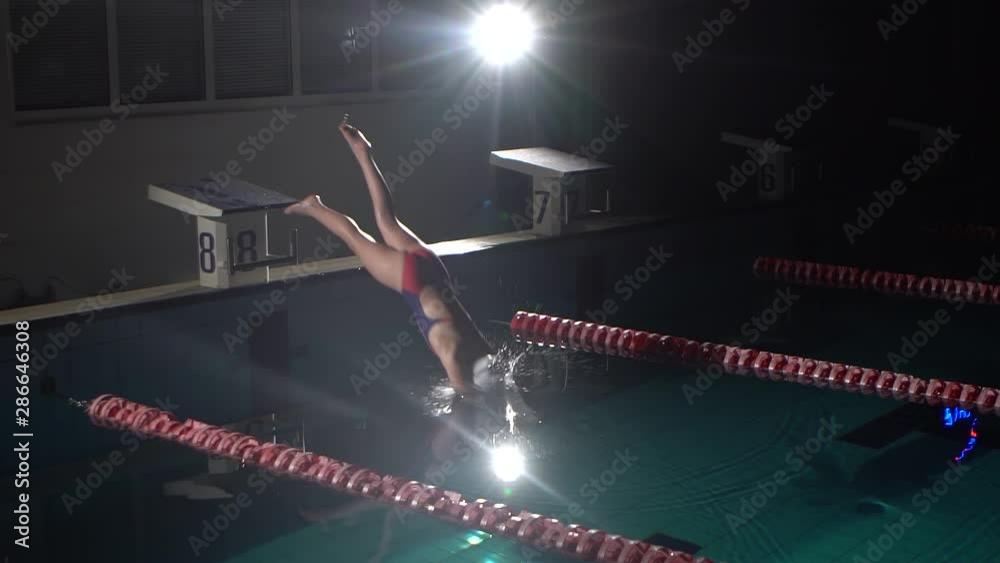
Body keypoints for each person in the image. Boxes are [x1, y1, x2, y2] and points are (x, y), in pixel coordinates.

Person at [285, 119, 496, 396]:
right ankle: (314, 207)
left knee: (386, 219)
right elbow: (461, 389)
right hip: (412, 280)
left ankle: (363, 152)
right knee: (356, 238)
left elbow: (488, 371)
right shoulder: (453, 350)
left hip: (432, 267)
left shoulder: (482, 351)